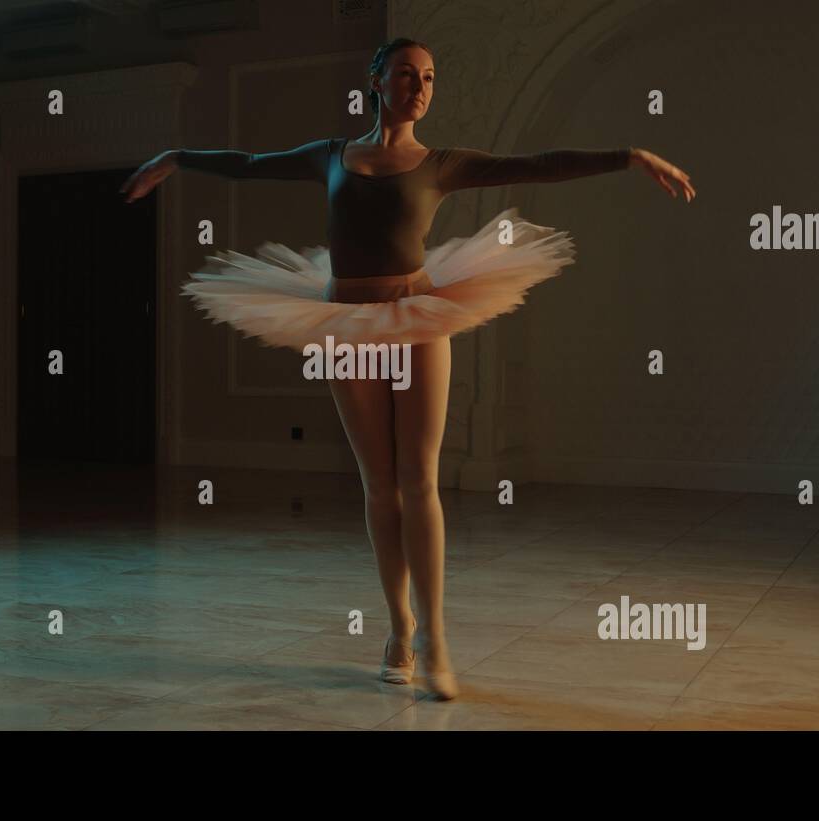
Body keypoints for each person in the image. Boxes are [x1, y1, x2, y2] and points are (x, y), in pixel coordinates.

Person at [120, 38, 695, 701]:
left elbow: (536, 165)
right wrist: (175, 157)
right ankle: (399, 626)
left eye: (428, 78)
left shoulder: (441, 163)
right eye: (405, 74)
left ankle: (436, 638)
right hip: (345, 320)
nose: (419, 86)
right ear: (376, 80)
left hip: (418, 315)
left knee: (420, 477)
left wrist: (630, 156)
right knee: (380, 484)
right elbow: (250, 165)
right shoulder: (329, 155)